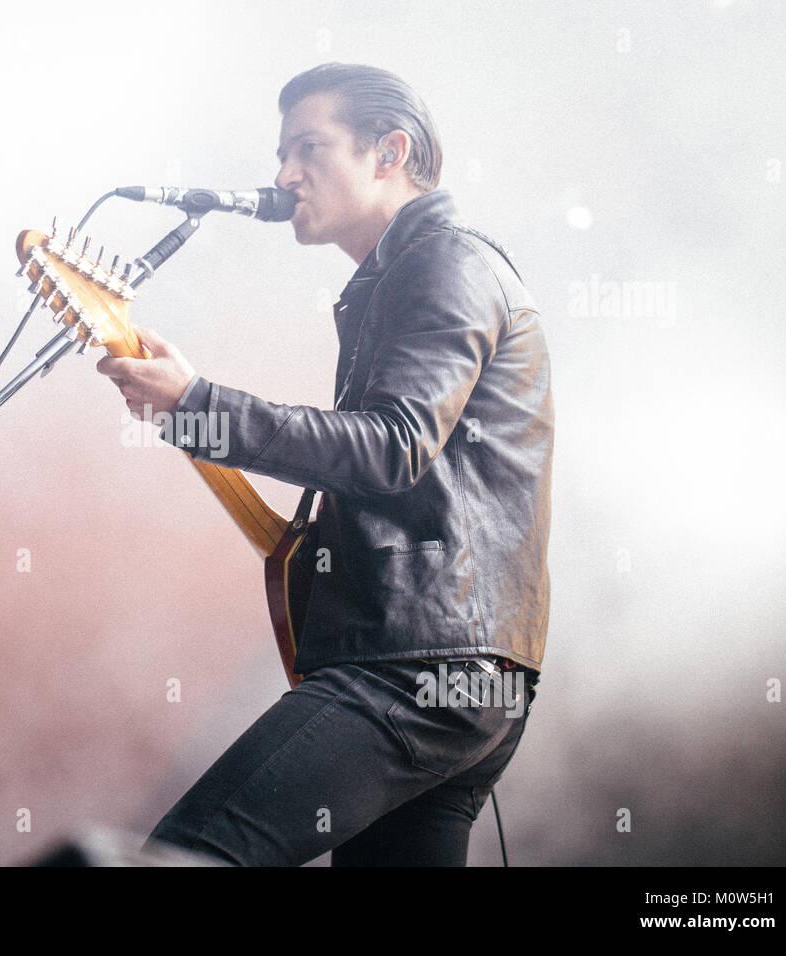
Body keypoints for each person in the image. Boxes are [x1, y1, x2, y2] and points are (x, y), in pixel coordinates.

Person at [96, 62, 553, 866]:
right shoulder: (404, 276)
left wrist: (197, 402)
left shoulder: (443, 262)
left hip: (414, 666)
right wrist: (189, 408)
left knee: (182, 857)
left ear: (390, 151)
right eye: (282, 152)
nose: (282, 175)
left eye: (309, 147)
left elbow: (391, 447)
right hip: (461, 670)